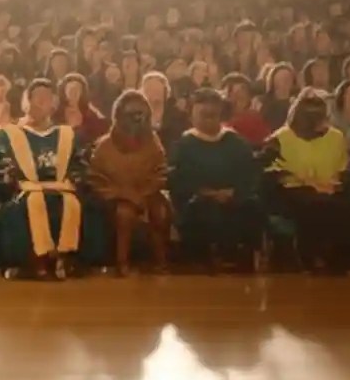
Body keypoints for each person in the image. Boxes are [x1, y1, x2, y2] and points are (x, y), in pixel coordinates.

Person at [0, 79, 90, 280]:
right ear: (26, 102)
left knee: (72, 202)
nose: (41, 103)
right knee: (30, 202)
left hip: (60, 188)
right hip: (23, 191)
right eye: (37, 98)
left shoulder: (66, 134)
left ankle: (64, 257)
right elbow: (0, 167)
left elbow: (78, 165)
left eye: (47, 98)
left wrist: (74, 179)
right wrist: (13, 180)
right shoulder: (8, 134)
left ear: (54, 103)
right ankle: (39, 260)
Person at [260, 87, 350, 273]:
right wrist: (310, 184)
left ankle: (343, 258)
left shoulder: (336, 137)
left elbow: (343, 168)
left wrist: (334, 183)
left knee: (345, 205)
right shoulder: (280, 139)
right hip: (292, 189)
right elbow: (273, 173)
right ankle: (311, 255)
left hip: (329, 187)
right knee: (311, 202)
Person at [169, 88, 265, 273]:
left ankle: (241, 256)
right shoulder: (184, 145)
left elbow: (249, 175)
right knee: (201, 208)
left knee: (252, 205)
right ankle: (205, 258)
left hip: (233, 196)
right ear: (192, 116)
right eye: (202, 115)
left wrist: (233, 192)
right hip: (199, 198)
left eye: (213, 115)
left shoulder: (236, 142)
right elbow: (178, 179)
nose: (208, 120)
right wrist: (207, 193)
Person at [88, 91, 170, 276]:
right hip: (116, 198)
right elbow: (96, 179)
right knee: (124, 213)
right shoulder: (104, 145)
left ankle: (161, 261)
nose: (136, 119)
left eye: (140, 114)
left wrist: (144, 193)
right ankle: (122, 263)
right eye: (131, 115)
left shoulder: (153, 142)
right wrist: (124, 194)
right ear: (119, 116)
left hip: (147, 194)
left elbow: (161, 172)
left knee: (160, 212)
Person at [221, 73, 269, 146]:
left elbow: (265, 141)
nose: (239, 95)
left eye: (243, 90)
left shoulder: (254, 118)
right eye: (234, 91)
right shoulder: (217, 117)